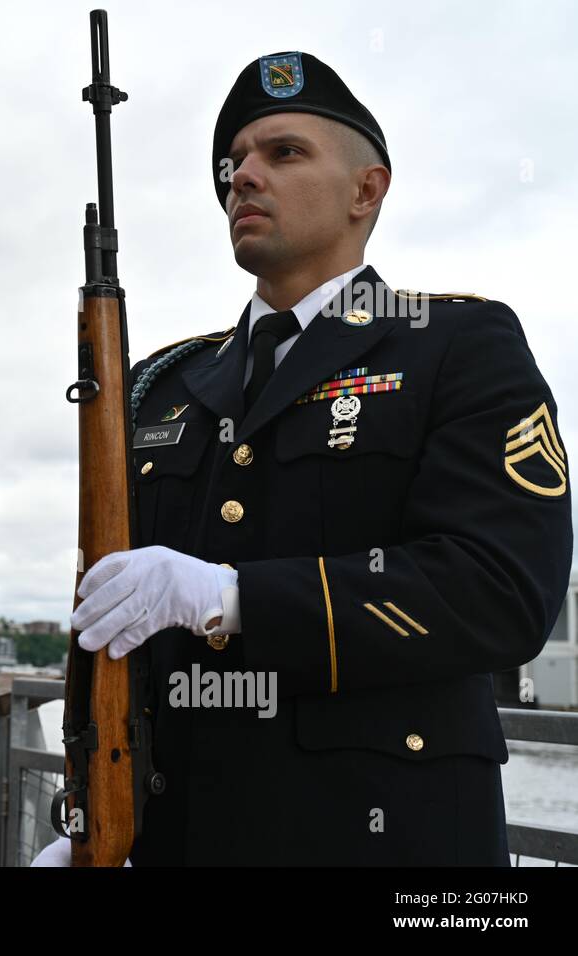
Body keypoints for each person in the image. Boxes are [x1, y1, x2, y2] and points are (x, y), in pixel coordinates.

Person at [35, 52, 571, 866]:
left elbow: (500, 593)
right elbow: (108, 615)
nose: (244, 175)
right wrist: (81, 815)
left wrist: (235, 598)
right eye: (235, 160)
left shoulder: (458, 347)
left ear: (367, 190)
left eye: (283, 153)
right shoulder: (164, 383)